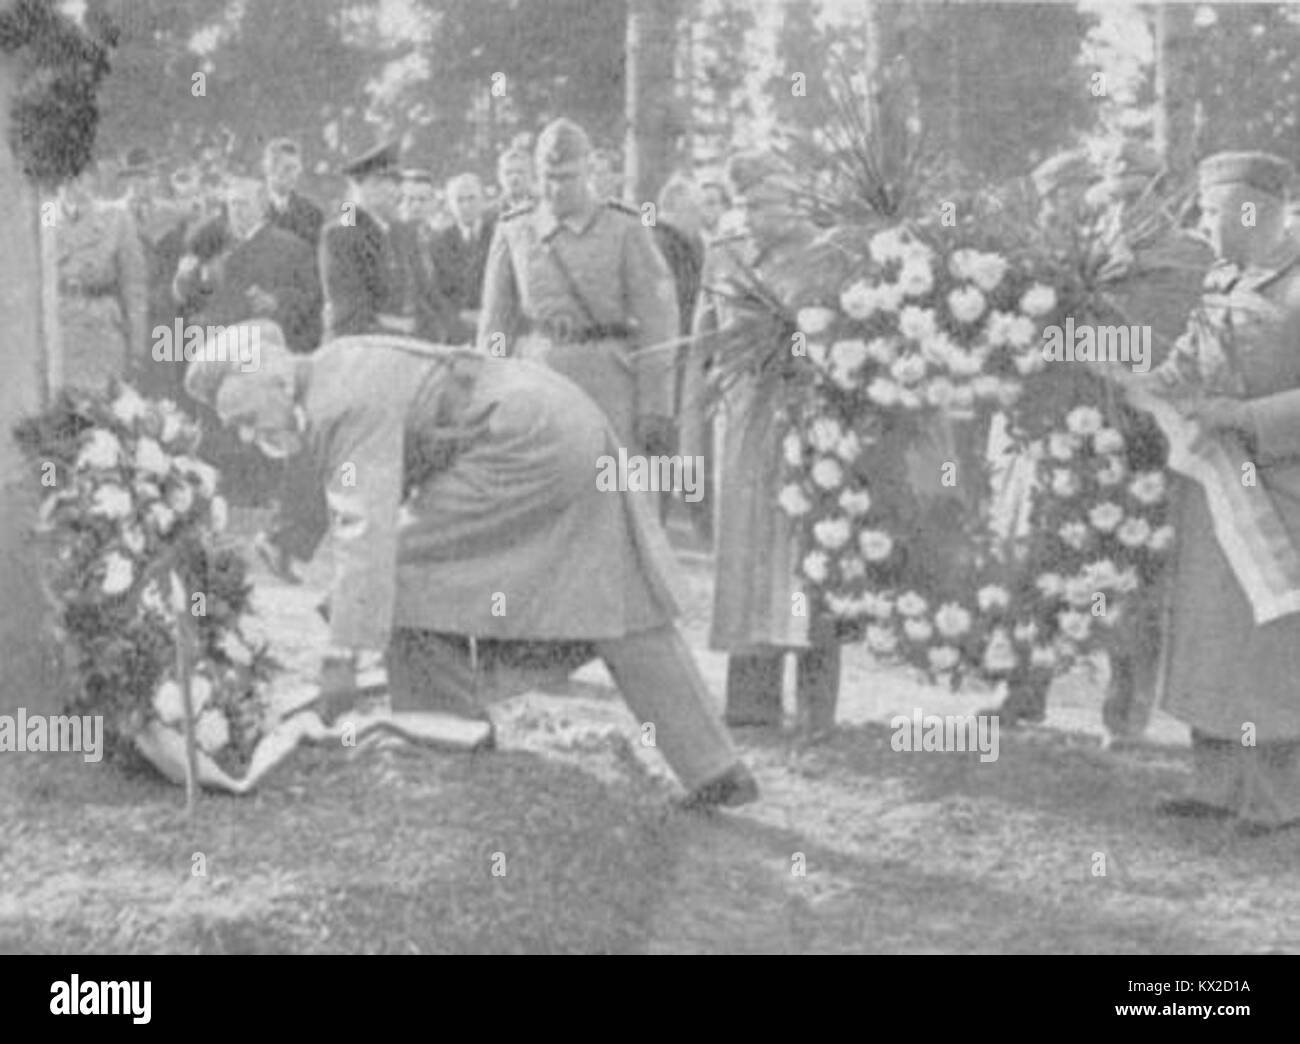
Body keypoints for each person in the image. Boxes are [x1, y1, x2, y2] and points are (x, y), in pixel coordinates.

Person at [183, 323, 759, 810]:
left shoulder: (337, 403)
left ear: (277, 376)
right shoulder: (333, 363)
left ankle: (447, 747)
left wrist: (340, 657)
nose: (244, 434)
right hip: (565, 420)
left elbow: (366, 533)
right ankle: (713, 769)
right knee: (618, 593)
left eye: (243, 416)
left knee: (400, 574)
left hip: (521, 443)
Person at [1123, 150, 1300, 834]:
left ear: (1253, 207)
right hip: (1215, 495)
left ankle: (1280, 799)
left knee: (1273, 647)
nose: (1200, 223)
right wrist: (1141, 380)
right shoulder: (1223, 278)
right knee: (1209, 635)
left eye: (1210, 210)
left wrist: (1246, 418)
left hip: (1281, 493)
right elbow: (1189, 362)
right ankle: (1218, 782)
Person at [683, 152, 850, 738]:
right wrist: (691, 440)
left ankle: (813, 703)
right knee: (746, 559)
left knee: (808, 558)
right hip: (740, 426)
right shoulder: (724, 254)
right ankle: (751, 702)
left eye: (760, 205)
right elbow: (700, 351)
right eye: (741, 205)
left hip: (808, 423)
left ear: (792, 202)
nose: (748, 217)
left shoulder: (827, 255)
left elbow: (848, 344)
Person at [476, 117, 679, 452]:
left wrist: (655, 407)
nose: (555, 189)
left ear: (588, 172)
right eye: (547, 178)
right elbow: (495, 324)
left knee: (611, 493)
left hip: (609, 385)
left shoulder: (625, 228)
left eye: (567, 178)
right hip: (538, 380)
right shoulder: (515, 230)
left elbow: (658, 323)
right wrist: (487, 395)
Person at [320, 140, 462, 343]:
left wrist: (463, 336)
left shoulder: (403, 233)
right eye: (388, 183)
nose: (398, 193)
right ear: (364, 187)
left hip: (410, 343)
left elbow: (428, 297)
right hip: (365, 348)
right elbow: (350, 316)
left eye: (398, 183)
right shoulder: (341, 234)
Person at [54, 167, 148, 392]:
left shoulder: (115, 217)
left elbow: (134, 285)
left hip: (99, 329)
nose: (72, 182)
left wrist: (137, 347)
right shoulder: (46, 214)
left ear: (91, 177)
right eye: (65, 173)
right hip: (57, 328)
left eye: (78, 172)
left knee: (101, 411)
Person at [653, 175, 709, 534]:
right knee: (668, 437)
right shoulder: (660, 244)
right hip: (669, 356)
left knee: (686, 438)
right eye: (694, 209)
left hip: (688, 352)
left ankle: (686, 509)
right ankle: (670, 514)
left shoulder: (692, 245)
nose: (701, 218)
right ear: (672, 209)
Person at [429, 173, 497, 340]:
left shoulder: (499, 236)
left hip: (496, 328)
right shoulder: (438, 242)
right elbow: (436, 292)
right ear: (449, 205)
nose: (466, 206)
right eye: (459, 200)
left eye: (472, 198)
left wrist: (487, 316)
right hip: (456, 330)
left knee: (498, 361)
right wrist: (459, 318)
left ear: (484, 201)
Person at [262, 137, 325, 250]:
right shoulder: (253, 208)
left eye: (295, 169)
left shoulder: (312, 213)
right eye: (287, 169)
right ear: (269, 170)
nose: (293, 176)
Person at [495, 144, 535, 213]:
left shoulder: (541, 206)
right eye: (508, 173)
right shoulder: (491, 212)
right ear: (499, 176)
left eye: (520, 172)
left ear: (530, 174)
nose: (514, 177)